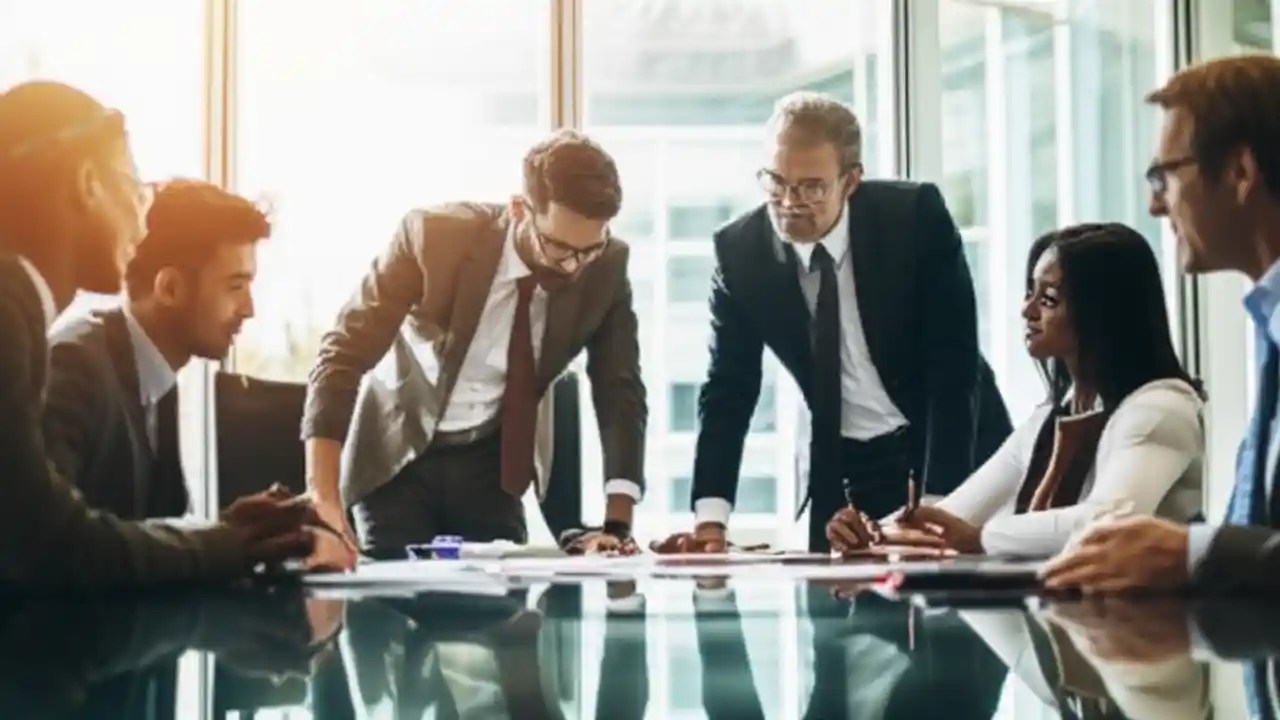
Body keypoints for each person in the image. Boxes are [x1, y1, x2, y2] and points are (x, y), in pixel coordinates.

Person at [659, 91, 1007, 554]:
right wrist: (710, 522)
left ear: (851, 181)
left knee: (958, 606)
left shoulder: (914, 218)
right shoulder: (740, 253)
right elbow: (728, 389)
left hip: (951, 445)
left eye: (811, 187)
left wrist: (939, 504)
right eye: (776, 182)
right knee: (837, 609)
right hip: (847, 463)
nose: (789, 202)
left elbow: (954, 363)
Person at [0, 80, 316, 587]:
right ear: (86, 184)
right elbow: (49, 546)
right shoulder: (19, 320)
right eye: (135, 188)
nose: (142, 222)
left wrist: (223, 535)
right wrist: (227, 544)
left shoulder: (29, 315)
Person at [302, 129, 646, 563]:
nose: (574, 268)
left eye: (589, 250)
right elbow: (343, 355)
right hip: (400, 450)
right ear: (520, 209)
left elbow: (620, 390)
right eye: (559, 248)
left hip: (493, 460)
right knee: (389, 605)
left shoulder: (608, 266)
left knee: (500, 612)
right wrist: (324, 498)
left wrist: (617, 525)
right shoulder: (434, 236)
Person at [1041, 54, 1280, 597]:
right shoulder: (1269, 324)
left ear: (1241, 172)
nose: (1154, 205)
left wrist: (1192, 553)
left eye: (1164, 175)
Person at [828, 223, 1205, 557]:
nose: (1027, 310)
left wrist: (984, 539)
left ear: (1102, 313)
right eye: (1030, 292)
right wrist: (872, 531)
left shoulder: (1161, 410)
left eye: (1048, 299)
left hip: (1144, 629)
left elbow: (1108, 521)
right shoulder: (1053, 417)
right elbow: (951, 518)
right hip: (1070, 621)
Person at [43, 179, 268, 520]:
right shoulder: (75, 367)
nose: (249, 308)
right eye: (235, 286)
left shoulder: (155, 379)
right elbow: (50, 540)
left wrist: (230, 534)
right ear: (170, 288)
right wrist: (226, 540)